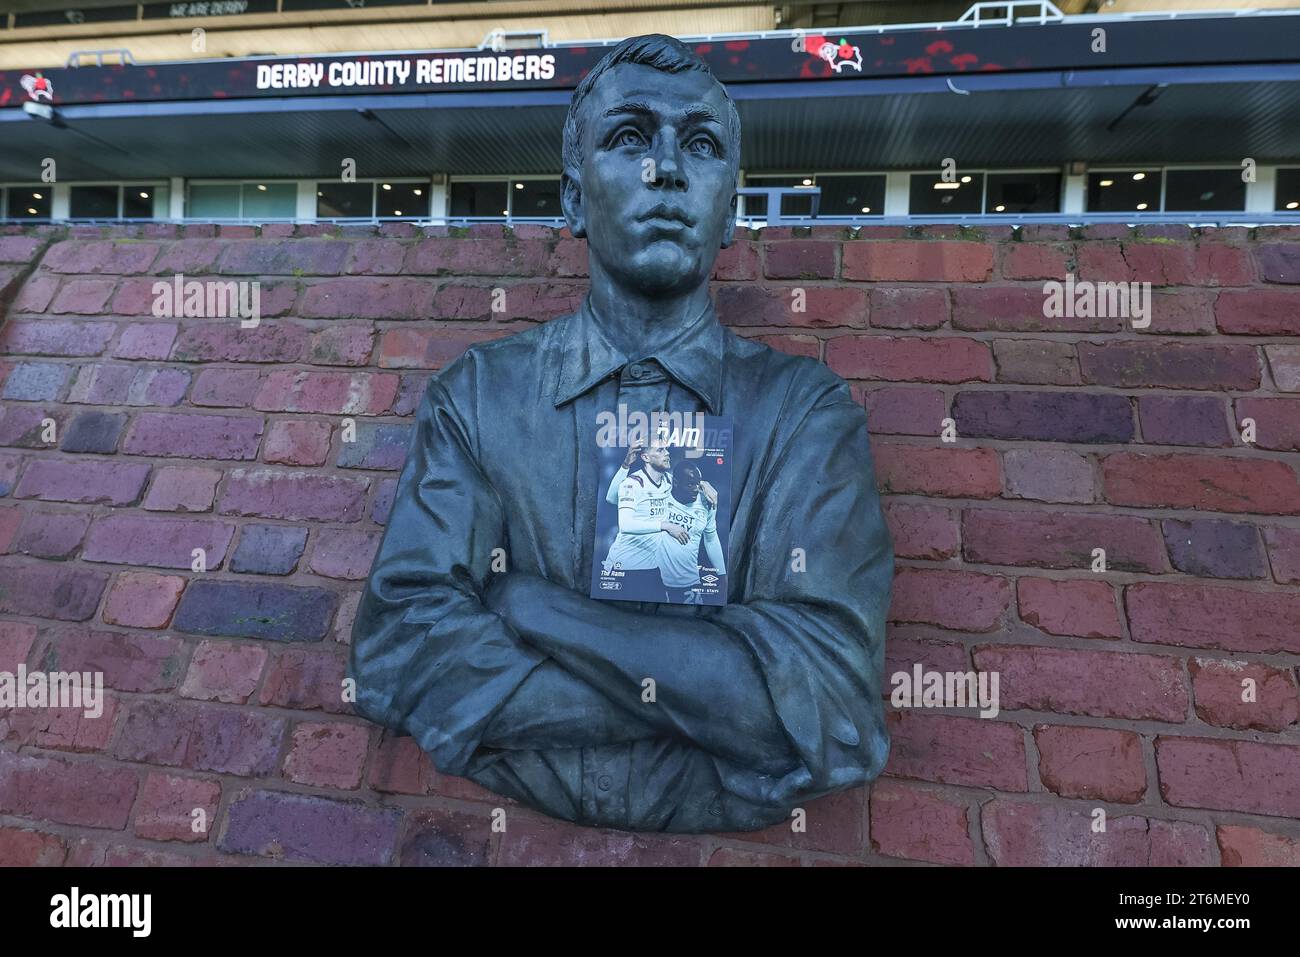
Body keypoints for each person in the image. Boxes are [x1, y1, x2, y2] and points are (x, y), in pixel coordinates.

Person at [348, 33, 894, 833]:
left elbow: (835, 707)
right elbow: (398, 653)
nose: (665, 168)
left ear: (730, 210)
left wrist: (538, 610)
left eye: (700, 145)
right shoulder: (479, 398)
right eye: (630, 136)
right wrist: (712, 699)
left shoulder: (807, 416)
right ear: (573, 199)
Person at [599, 439, 675, 601]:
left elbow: (611, 498)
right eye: (660, 450)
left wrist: (703, 485)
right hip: (624, 567)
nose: (667, 453)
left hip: (651, 567)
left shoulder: (669, 481)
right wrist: (665, 526)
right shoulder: (633, 483)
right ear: (646, 457)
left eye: (666, 449)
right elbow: (625, 524)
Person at [656, 459, 727, 603]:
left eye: (697, 484)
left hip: (688, 582)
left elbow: (711, 539)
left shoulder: (707, 501)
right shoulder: (661, 492)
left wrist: (722, 573)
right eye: (690, 484)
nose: (695, 489)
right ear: (675, 483)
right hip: (654, 580)